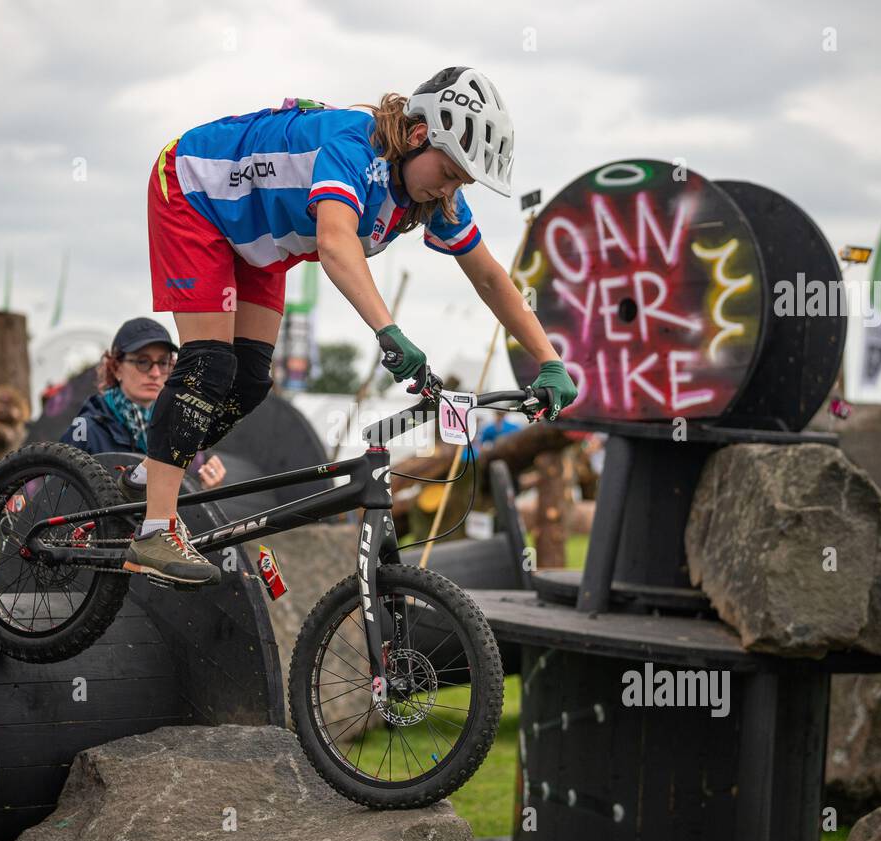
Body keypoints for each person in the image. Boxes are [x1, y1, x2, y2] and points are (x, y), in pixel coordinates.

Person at [124, 66, 579, 586]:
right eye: (449, 172)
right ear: (416, 135)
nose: (449, 189)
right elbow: (336, 242)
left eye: (460, 181)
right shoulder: (352, 147)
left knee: (248, 381)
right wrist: (389, 332)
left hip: (258, 239)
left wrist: (549, 360)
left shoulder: (431, 193)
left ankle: (147, 473)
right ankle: (154, 529)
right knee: (210, 364)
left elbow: (491, 279)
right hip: (193, 190)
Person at [60, 317, 226, 490]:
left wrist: (207, 489)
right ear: (116, 368)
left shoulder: (181, 430)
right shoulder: (87, 430)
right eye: (143, 362)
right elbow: (55, 496)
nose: (155, 373)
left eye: (163, 362)